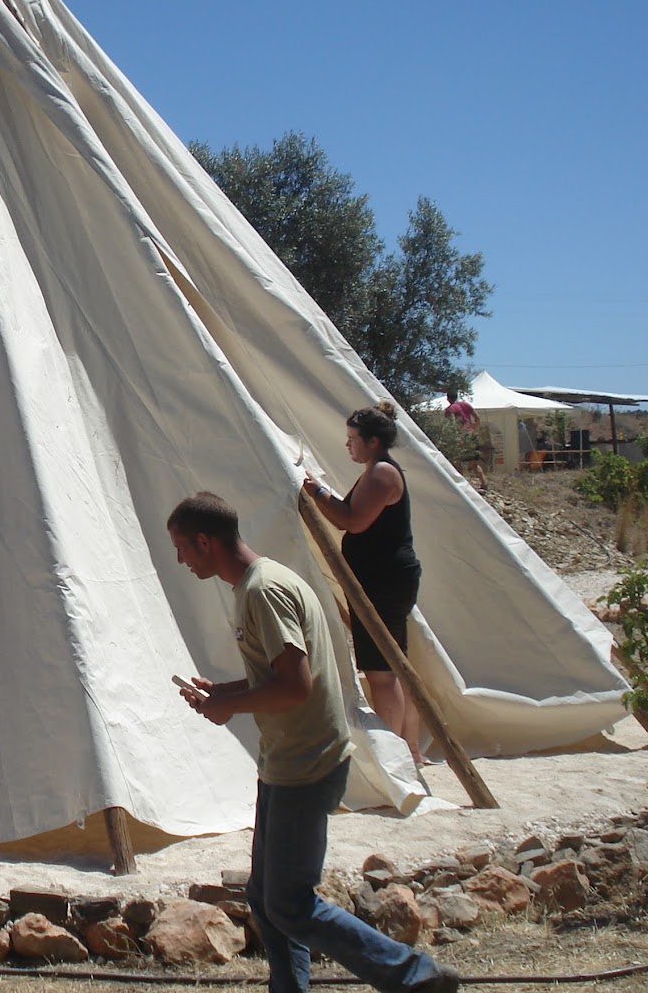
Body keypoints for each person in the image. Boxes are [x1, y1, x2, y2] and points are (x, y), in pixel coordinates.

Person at [168, 493, 458, 993]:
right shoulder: (258, 583)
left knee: (289, 902)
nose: (180, 560)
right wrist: (222, 692)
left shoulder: (263, 591)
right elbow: (277, 676)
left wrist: (228, 706)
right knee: (266, 898)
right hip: (286, 759)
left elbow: (296, 686)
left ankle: (414, 975)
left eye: (183, 548)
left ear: (204, 540)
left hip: (308, 762)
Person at [302, 403, 424, 764]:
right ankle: (410, 749)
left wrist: (317, 492)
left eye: (353, 439)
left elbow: (353, 521)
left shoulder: (382, 473)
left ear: (372, 441)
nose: (348, 445)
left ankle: (395, 755)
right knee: (392, 666)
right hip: (383, 577)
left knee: (382, 672)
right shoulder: (377, 470)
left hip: (384, 580)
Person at [442, 393, 487, 491]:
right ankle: (484, 484)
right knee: (474, 463)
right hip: (471, 436)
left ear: (448, 398)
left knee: (458, 461)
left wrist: (457, 436)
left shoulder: (449, 410)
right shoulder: (465, 405)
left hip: (461, 437)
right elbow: (477, 418)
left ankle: (461, 486)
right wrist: (472, 429)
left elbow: (453, 424)